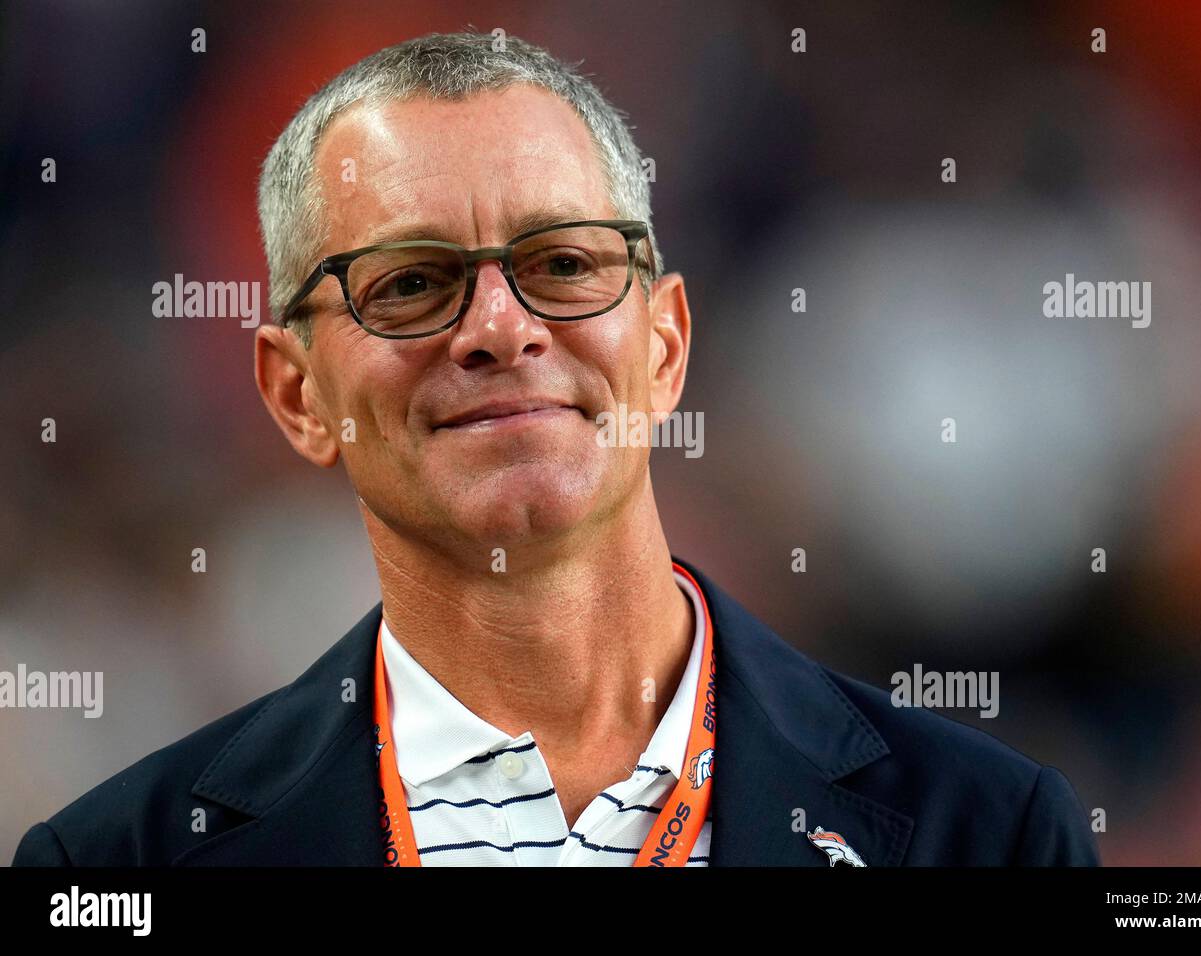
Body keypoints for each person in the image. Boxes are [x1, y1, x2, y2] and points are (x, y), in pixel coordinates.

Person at [12, 31, 1099, 867]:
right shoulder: (118, 864)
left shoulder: (990, 833)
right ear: (297, 395)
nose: (498, 325)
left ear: (665, 346)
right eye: (409, 284)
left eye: (566, 264)